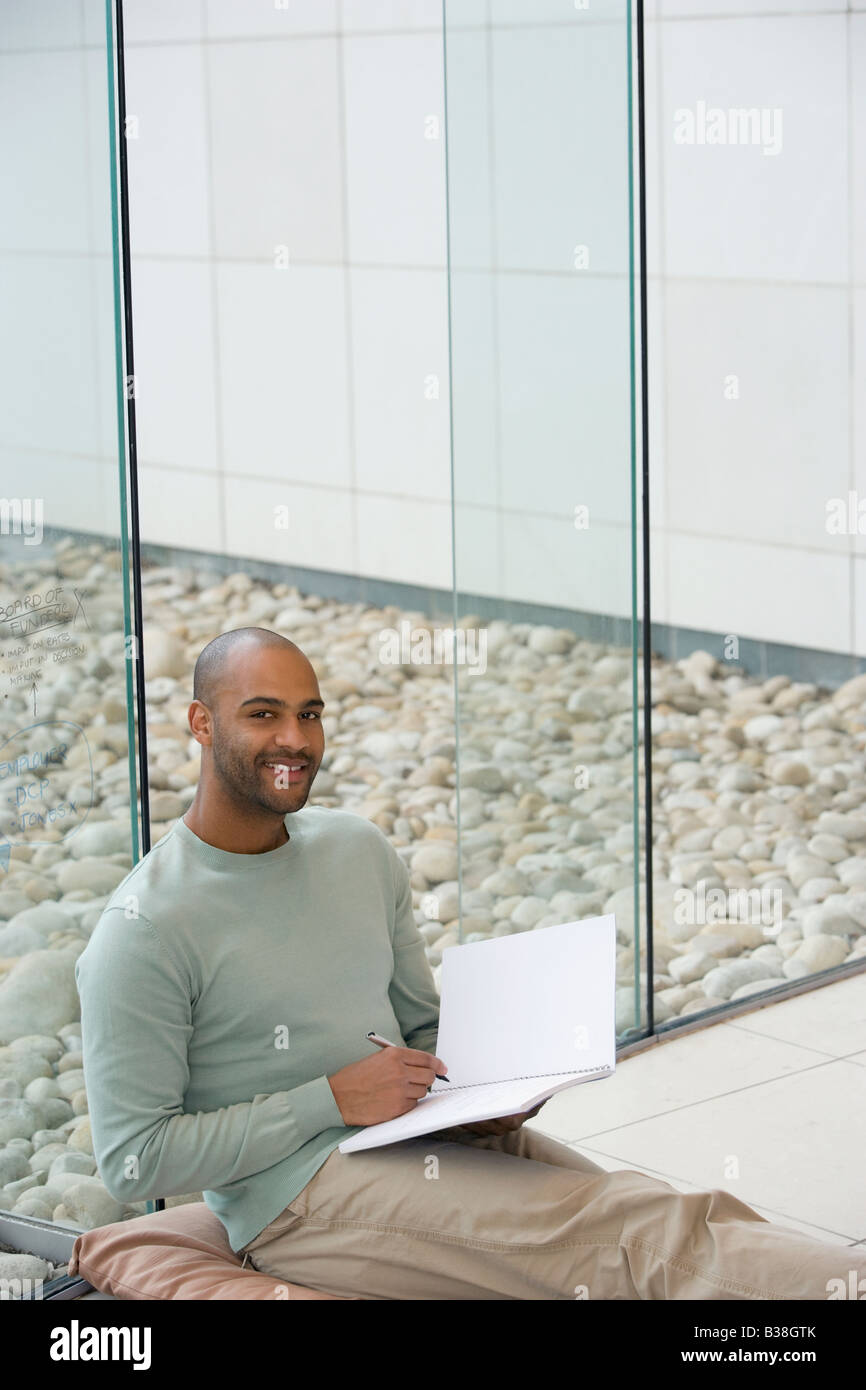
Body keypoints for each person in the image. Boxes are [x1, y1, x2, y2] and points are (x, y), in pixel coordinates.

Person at [76, 627, 866, 1301]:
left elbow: (423, 1021)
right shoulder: (143, 930)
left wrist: (496, 1089)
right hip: (297, 1202)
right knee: (634, 1238)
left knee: (659, 1209)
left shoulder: (355, 850)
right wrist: (326, 1100)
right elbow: (134, 1155)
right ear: (201, 724)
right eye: (263, 714)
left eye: (309, 714)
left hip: (422, 1134)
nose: (294, 739)